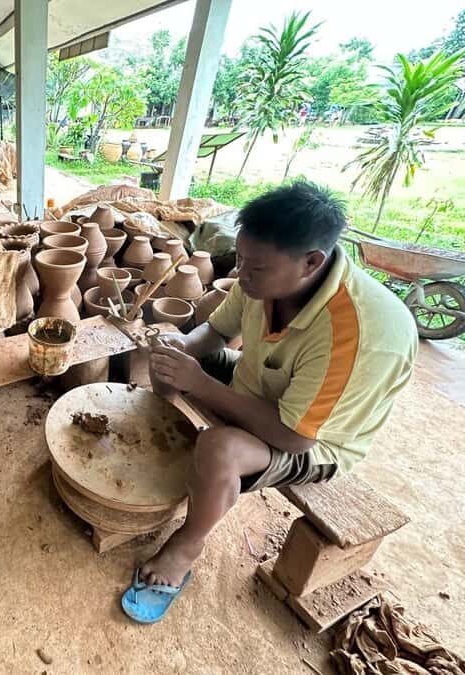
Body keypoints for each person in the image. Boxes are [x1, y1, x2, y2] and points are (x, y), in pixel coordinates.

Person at [121, 180, 418, 622]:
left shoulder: (359, 335)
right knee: (168, 353)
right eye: (240, 259)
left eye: (254, 268)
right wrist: (179, 346)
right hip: (256, 383)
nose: (241, 274)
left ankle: (188, 544)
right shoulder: (261, 274)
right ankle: (172, 443)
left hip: (317, 442)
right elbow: (218, 333)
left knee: (218, 448)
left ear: (311, 262)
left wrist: (200, 384)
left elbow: (294, 437)